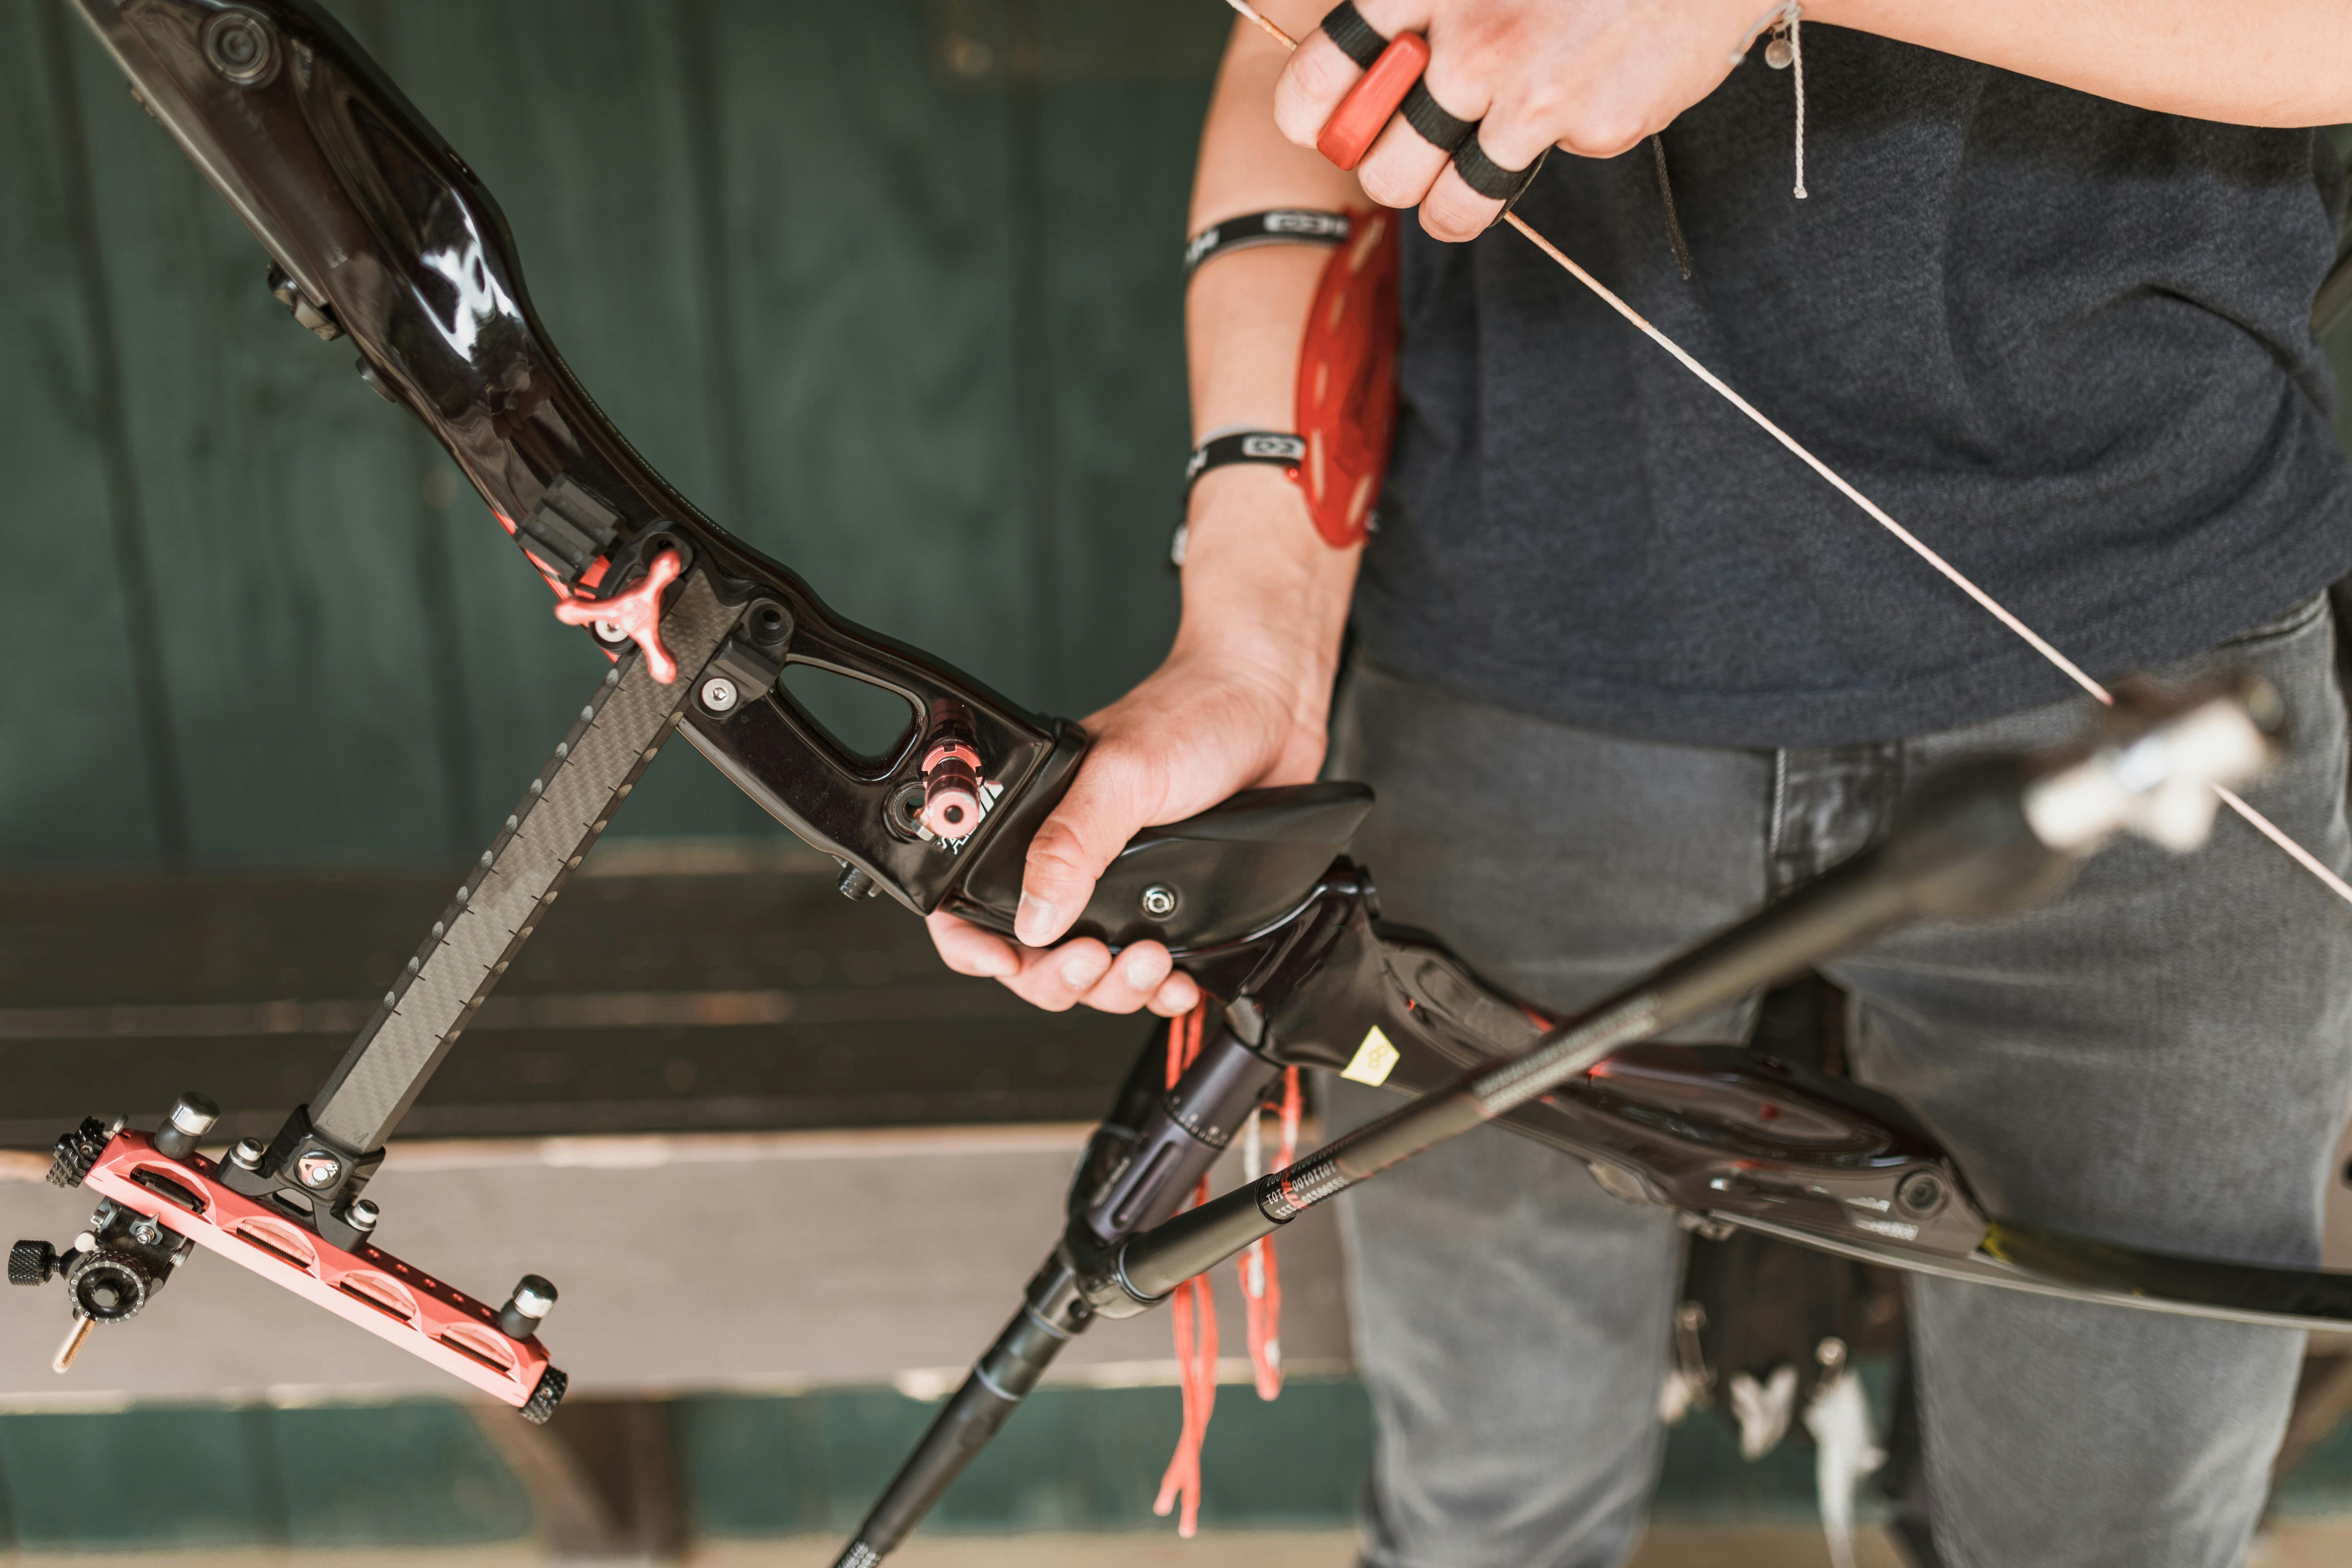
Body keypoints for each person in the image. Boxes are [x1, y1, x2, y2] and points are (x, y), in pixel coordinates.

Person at [929, 2, 2352, 1563]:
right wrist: (1257, 626)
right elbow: (1298, 53)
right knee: (1488, 1517)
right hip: (1518, 685)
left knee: (2113, 1541)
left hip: (2142, 671)